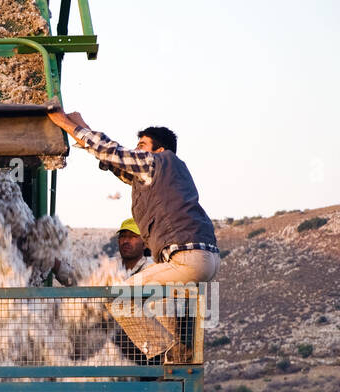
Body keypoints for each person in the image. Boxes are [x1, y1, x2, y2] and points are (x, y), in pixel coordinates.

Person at [48, 112, 219, 285]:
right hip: (206, 258)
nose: (136, 150)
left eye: (142, 145)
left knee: (121, 296)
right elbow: (113, 161)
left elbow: (110, 152)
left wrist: (64, 122)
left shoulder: (156, 161)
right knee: (153, 304)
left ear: (159, 150)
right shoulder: (166, 175)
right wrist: (82, 127)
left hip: (188, 259)